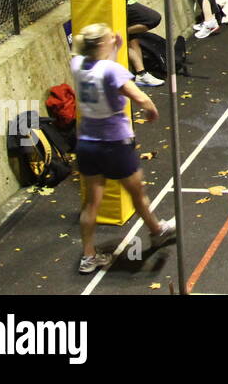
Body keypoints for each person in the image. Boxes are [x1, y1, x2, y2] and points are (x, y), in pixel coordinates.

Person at [71, 23, 176, 274]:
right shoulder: (112, 70)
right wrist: (151, 110)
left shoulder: (77, 65)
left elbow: (101, 66)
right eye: (111, 39)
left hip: (87, 143)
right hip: (115, 143)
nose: (115, 40)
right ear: (101, 45)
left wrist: (113, 46)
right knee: (137, 193)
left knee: (91, 203)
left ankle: (88, 256)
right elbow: (140, 97)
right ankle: (157, 230)